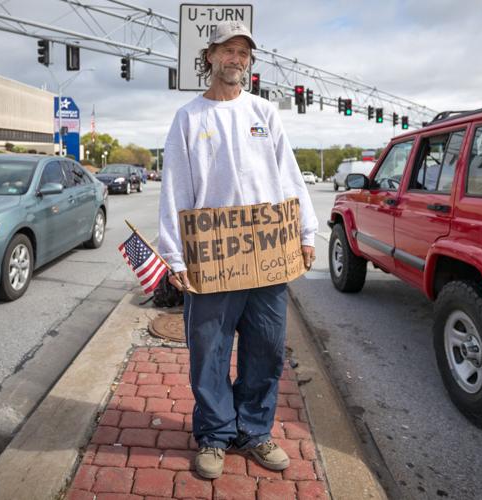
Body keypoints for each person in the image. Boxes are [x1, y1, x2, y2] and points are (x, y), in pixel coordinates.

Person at [158, 21, 318, 480]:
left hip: (267, 256)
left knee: (265, 348)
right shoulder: (189, 118)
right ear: (209, 56)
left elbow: (288, 176)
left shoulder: (265, 112)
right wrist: (174, 257)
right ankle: (214, 434)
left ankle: (254, 430)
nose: (237, 59)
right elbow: (175, 191)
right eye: (228, 50)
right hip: (211, 260)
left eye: (244, 52)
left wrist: (306, 233)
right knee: (208, 350)